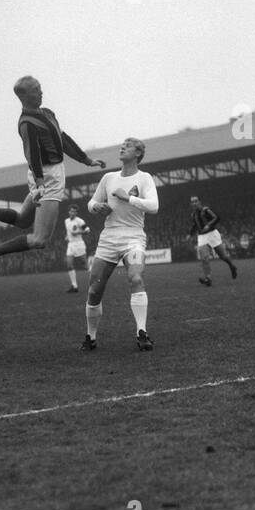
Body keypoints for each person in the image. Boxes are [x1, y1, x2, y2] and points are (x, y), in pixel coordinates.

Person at [0, 76, 106, 281]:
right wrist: (39, 184)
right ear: (24, 96)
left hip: (48, 175)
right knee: (39, 240)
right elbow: (32, 155)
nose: (41, 92)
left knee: (22, 220)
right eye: (36, 90)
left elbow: (62, 139)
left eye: (40, 87)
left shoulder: (47, 113)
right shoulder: (27, 123)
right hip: (47, 179)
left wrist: (86, 159)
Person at [82, 138, 158, 351]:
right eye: (122, 145)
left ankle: (141, 333)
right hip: (108, 239)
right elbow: (91, 203)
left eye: (128, 146)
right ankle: (91, 337)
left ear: (138, 154)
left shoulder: (144, 178)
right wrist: (98, 207)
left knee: (135, 277)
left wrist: (128, 198)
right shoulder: (108, 177)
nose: (122, 147)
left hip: (133, 238)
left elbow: (154, 206)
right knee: (94, 290)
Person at [189, 196, 237, 286]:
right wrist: (190, 233)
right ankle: (208, 278)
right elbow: (195, 225)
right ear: (191, 204)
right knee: (204, 258)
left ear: (199, 202)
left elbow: (216, 218)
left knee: (223, 256)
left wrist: (209, 225)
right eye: (192, 202)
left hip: (212, 234)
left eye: (196, 201)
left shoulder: (206, 210)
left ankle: (232, 266)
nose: (194, 203)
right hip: (202, 236)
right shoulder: (193, 215)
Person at [64, 204, 91, 293]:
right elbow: (69, 232)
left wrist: (79, 232)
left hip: (79, 244)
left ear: (76, 213)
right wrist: (67, 237)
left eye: (74, 211)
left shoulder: (80, 221)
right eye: (71, 211)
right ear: (69, 212)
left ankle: (96, 280)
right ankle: (74, 286)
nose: (73, 213)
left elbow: (87, 230)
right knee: (69, 264)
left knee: (84, 264)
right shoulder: (66, 221)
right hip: (71, 245)